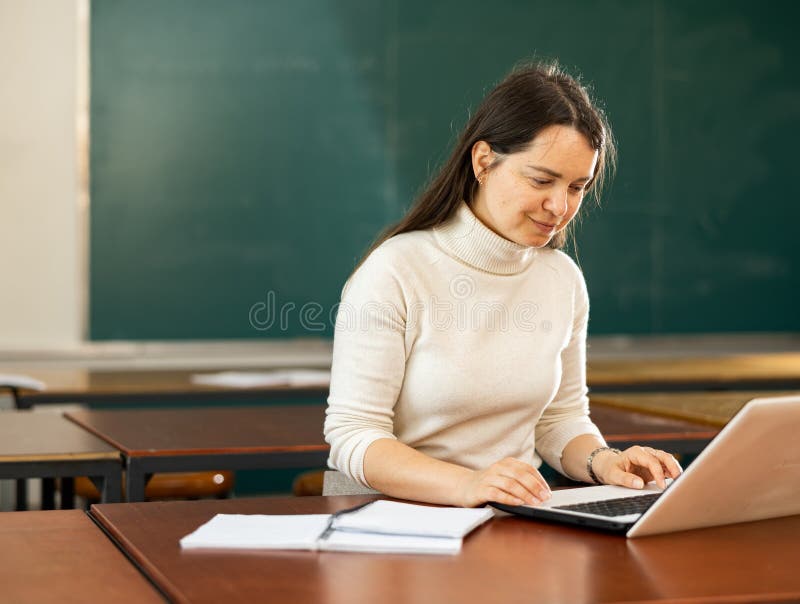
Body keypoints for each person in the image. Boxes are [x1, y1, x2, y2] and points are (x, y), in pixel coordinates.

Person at [323, 61, 682, 508]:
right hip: (390, 523)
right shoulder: (395, 270)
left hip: (507, 519)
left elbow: (559, 421)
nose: (559, 205)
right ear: (483, 162)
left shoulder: (562, 280)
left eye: (577, 187)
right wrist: (467, 485)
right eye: (541, 180)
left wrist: (604, 461)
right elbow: (353, 435)